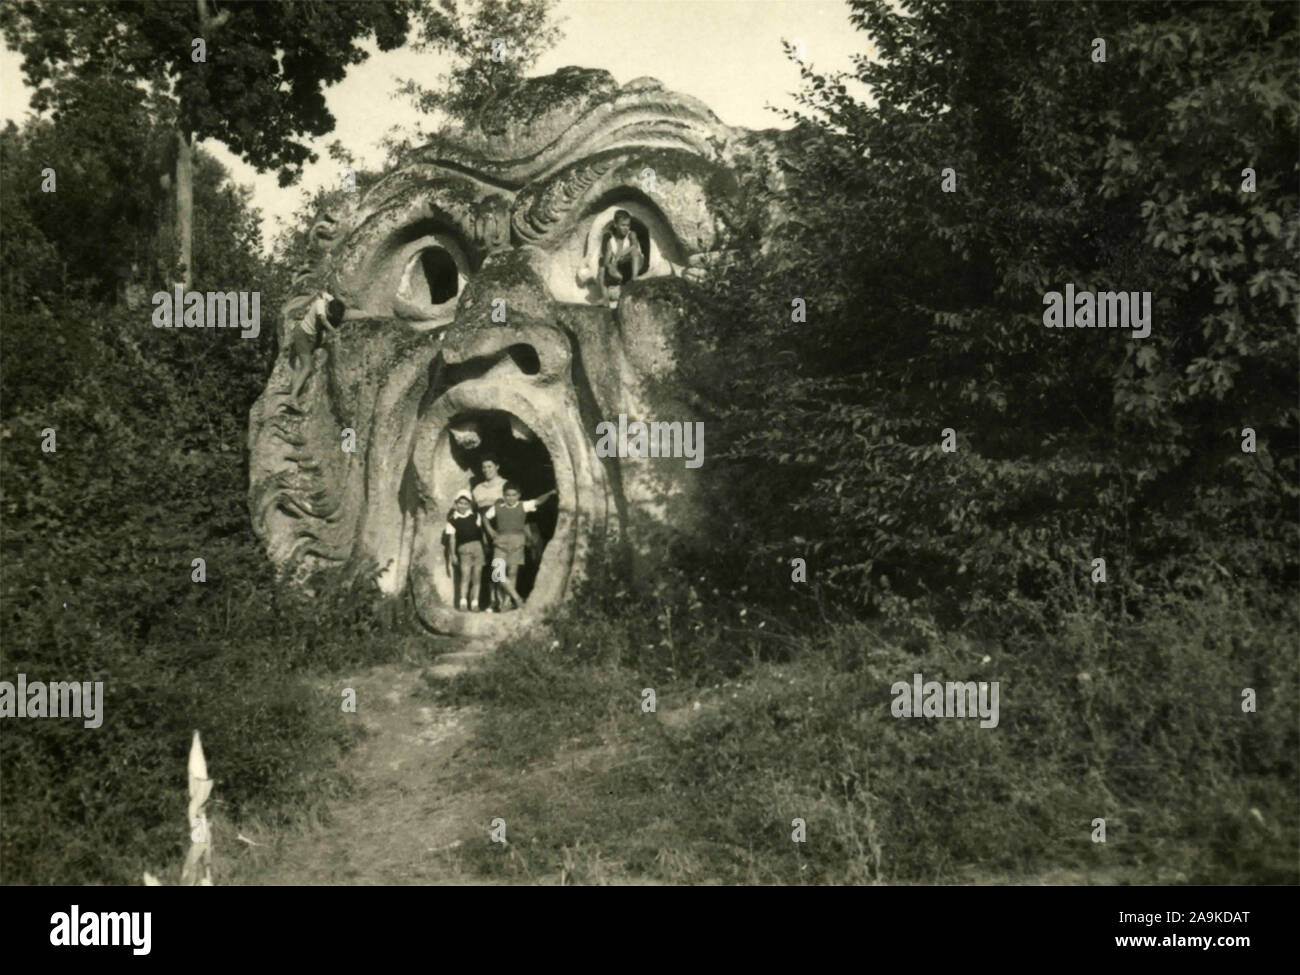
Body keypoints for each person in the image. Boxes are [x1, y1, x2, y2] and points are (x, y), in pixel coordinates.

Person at [483, 482, 557, 611]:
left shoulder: (523, 505)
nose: (510, 498)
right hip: (500, 542)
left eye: (513, 495)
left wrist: (550, 493)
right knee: (498, 573)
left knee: (512, 572)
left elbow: (538, 501)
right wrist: (490, 530)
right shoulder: (497, 507)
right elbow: (485, 517)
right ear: (503, 495)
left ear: (518, 495)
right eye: (507, 495)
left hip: (517, 542)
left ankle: (506, 602)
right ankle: (517, 598)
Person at [287, 291, 347, 403]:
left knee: (305, 363)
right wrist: (334, 332)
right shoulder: (320, 304)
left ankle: (293, 388)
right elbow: (323, 320)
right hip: (302, 334)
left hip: (309, 336)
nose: (329, 315)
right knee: (307, 367)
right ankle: (292, 398)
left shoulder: (329, 299)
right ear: (327, 307)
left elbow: (322, 293)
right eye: (329, 313)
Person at [471, 456, 508, 610]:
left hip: (500, 526)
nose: (486, 470)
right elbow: (476, 510)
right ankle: (492, 599)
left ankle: (504, 599)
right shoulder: (477, 489)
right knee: (487, 565)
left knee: (500, 563)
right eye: (484, 467)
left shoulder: (505, 484)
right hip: (483, 529)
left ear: (497, 466)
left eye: (489, 466)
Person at [443, 490, 485, 612]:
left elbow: (481, 534)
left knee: (477, 576)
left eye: (465, 503)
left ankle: (475, 602)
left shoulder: (476, 517)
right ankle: (463, 602)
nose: (463, 506)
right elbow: (452, 539)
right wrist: (453, 555)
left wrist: (485, 547)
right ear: (456, 504)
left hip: (478, 548)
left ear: (469, 504)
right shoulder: (452, 521)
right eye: (460, 503)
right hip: (464, 549)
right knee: (465, 576)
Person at [597, 210, 643, 304]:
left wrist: (621, 253)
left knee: (634, 251)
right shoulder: (611, 241)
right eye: (623, 225)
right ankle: (605, 299)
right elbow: (606, 260)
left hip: (632, 266)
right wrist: (609, 266)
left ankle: (634, 279)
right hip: (619, 271)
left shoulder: (631, 234)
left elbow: (635, 246)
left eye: (628, 225)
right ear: (615, 225)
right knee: (601, 266)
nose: (626, 228)